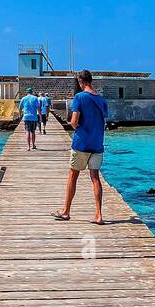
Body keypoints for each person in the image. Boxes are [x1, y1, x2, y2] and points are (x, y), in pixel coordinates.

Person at [53, 70, 107, 225]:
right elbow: (102, 121)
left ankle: (66, 211)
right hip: (97, 144)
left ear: (80, 82)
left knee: (73, 175)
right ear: (91, 81)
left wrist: (73, 124)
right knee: (95, 178)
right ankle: (99, 215)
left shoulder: (79, 97)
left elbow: (74, 121)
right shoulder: (101, 100)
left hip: (81, 143)